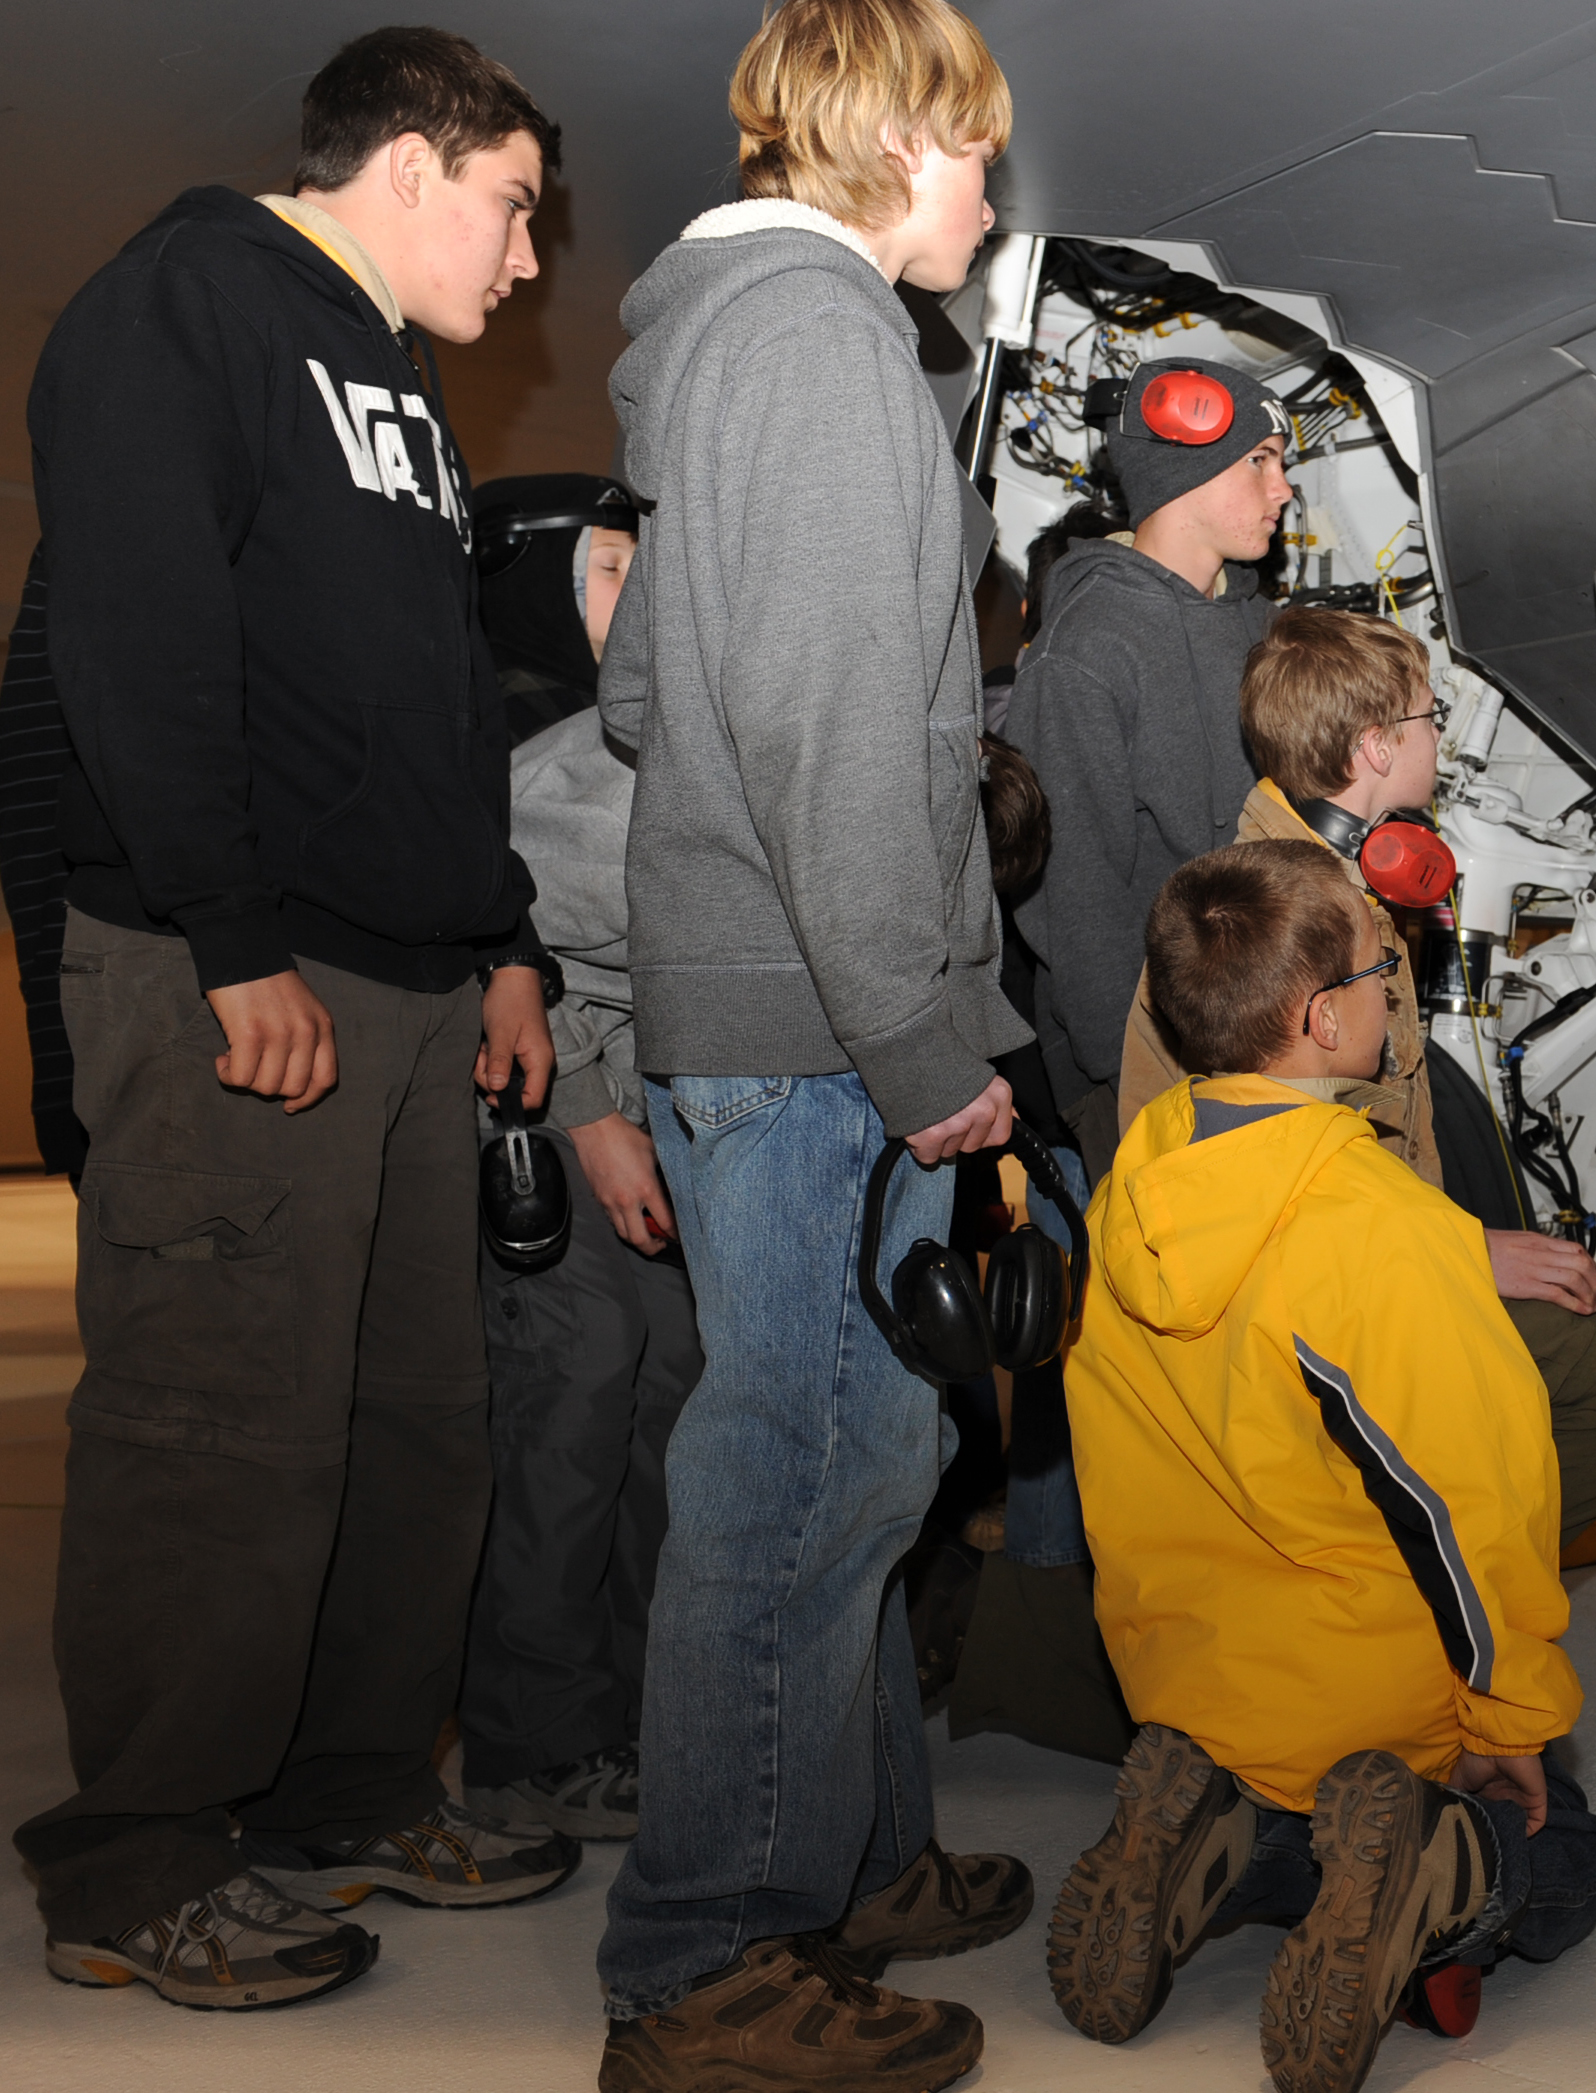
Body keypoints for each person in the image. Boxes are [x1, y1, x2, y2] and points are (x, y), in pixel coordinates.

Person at [13, 27, 578, 2013]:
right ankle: (135, 1856)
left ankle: (343, 1787)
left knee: (414, 1425)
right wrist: (223, 931)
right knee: (217, 1426)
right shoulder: (183, 305)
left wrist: (504, 933)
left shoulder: (396, 381)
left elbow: (423, 696)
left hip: (415, 985)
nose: (528, 258)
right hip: (246, 972)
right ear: (416, 160)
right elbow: (133, 641)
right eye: (515, 205)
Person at [592, 5, 1036, 2086]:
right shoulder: (825, 339)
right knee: (795, 1479)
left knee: (855, 1462)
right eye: (974, 150)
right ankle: (707, 1959)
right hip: (818, 1029)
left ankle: (847, 1859)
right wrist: (922, 1026)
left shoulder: (717, 343)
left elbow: (642, 703)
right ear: (891, 137)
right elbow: (835, 735)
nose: (989, 190)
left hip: (770, 1006)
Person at [1051, 840, 1596, 2093]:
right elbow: (1470, 1503)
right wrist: (1507, 1720)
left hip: (1190, 1673)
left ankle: (1211, 1822)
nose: (1391, 984)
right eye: (1382, 968)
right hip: (1370, 1694)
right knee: (1580, 1854)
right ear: (1323, 1019)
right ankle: (1439, 1863)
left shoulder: (1135, 1182)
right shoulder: (1383, 1225)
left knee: (1294, 1808)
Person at [1121, 609, 1596, 1540]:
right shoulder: (1296, 930)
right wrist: (1469, 1260)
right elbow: (1285, 1192)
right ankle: (1403, 1555)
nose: (1445, 741)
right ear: (1377, 747)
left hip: (1365, 1265)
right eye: (1433, 718)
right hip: (1333, 1295)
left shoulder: (1281, 889)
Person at [457, 475, 703, 1842]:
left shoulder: (630, 740)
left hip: (630, 1106)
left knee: (659, 1384)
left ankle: (635, 1704)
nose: (643, 598)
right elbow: (529, 970)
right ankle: (530, 1744)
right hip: (543, 1113)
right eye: (611, 572)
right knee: (571, 1396)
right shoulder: (528, 764)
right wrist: (599, 1117)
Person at [1003, 356, 1291, 1175]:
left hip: (1264, 1049)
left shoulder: (1258, 627)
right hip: (1148, 1073)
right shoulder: (1087, 649)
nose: (1282, 490)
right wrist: (1135, 1073)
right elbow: (1071, 893)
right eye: (1260, 462)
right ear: (1183, 475)